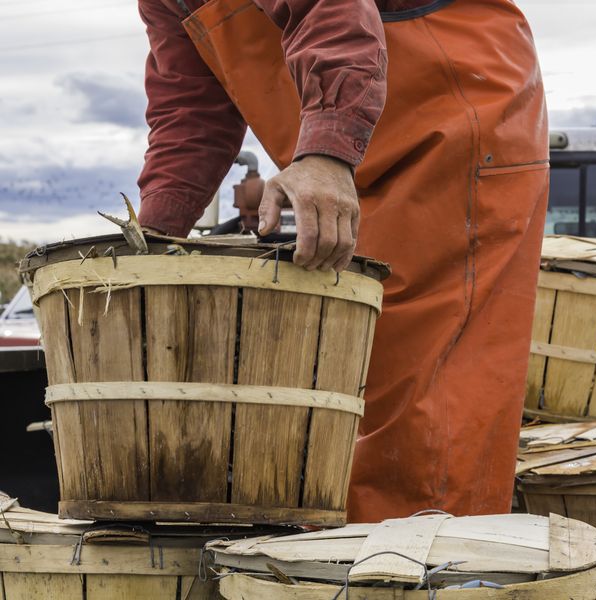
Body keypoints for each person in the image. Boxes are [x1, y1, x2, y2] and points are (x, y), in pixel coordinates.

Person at [137, 0, 549, 522]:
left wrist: (327, 152)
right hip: (345, 152)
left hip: (450, 119)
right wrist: (150, 236)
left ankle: (432, 573)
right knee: (344, 394)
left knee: (422, 407)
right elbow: (190, 108)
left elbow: (331, 10)